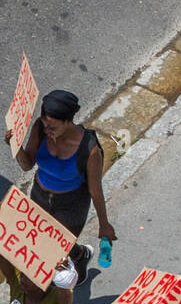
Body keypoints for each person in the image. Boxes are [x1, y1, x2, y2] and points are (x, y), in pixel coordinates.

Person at [7, 88, 115, 284]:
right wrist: (16, 148)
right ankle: (80, 254)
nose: (48, 130)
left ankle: (77, 259)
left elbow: (95, 191)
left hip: (71, 205)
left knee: (57, 246)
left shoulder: (90, 151)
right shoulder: (40, 128)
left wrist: (104, 224)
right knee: (42, 240)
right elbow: (27, 164)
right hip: (39, 196)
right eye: (45, 124)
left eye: (53, 127)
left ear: (68, 121)